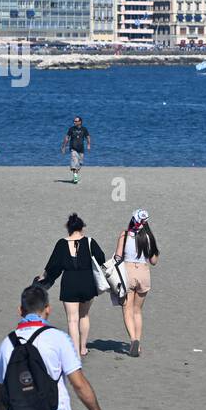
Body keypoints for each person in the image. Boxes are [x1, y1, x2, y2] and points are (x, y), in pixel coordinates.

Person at [36, 213, 108, 357]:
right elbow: (101, 258)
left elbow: (53, 265)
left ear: (68, 228)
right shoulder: (90, 241)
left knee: (72, 319)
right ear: (81, 228)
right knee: (84, 315)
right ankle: (83, 348)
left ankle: (74, 350)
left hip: (69, 282)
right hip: (87, 281)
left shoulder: (62, 243)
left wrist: (43, 277)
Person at [114, 208, 159, 358]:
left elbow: (118, 257)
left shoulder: (125, 235)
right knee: (138, 311)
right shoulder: (149, 237)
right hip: (143, 273)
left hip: (128, 272)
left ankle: (133, 340)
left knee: (127, 310)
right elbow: (154, 261)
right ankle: (138, 342)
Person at [61, 116, 92, 185]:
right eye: (74, 121)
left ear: (80, 122)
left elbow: (88, 137)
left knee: (79, 164)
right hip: (73, 149)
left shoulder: (84, 129)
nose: (74, 122)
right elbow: (67, 138)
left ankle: (75, 176)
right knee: (74, 163)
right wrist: (64, 146)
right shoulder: (71, 129)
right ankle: (75, 178)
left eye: (76, 121)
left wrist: (89, 145)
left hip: (81, 149)